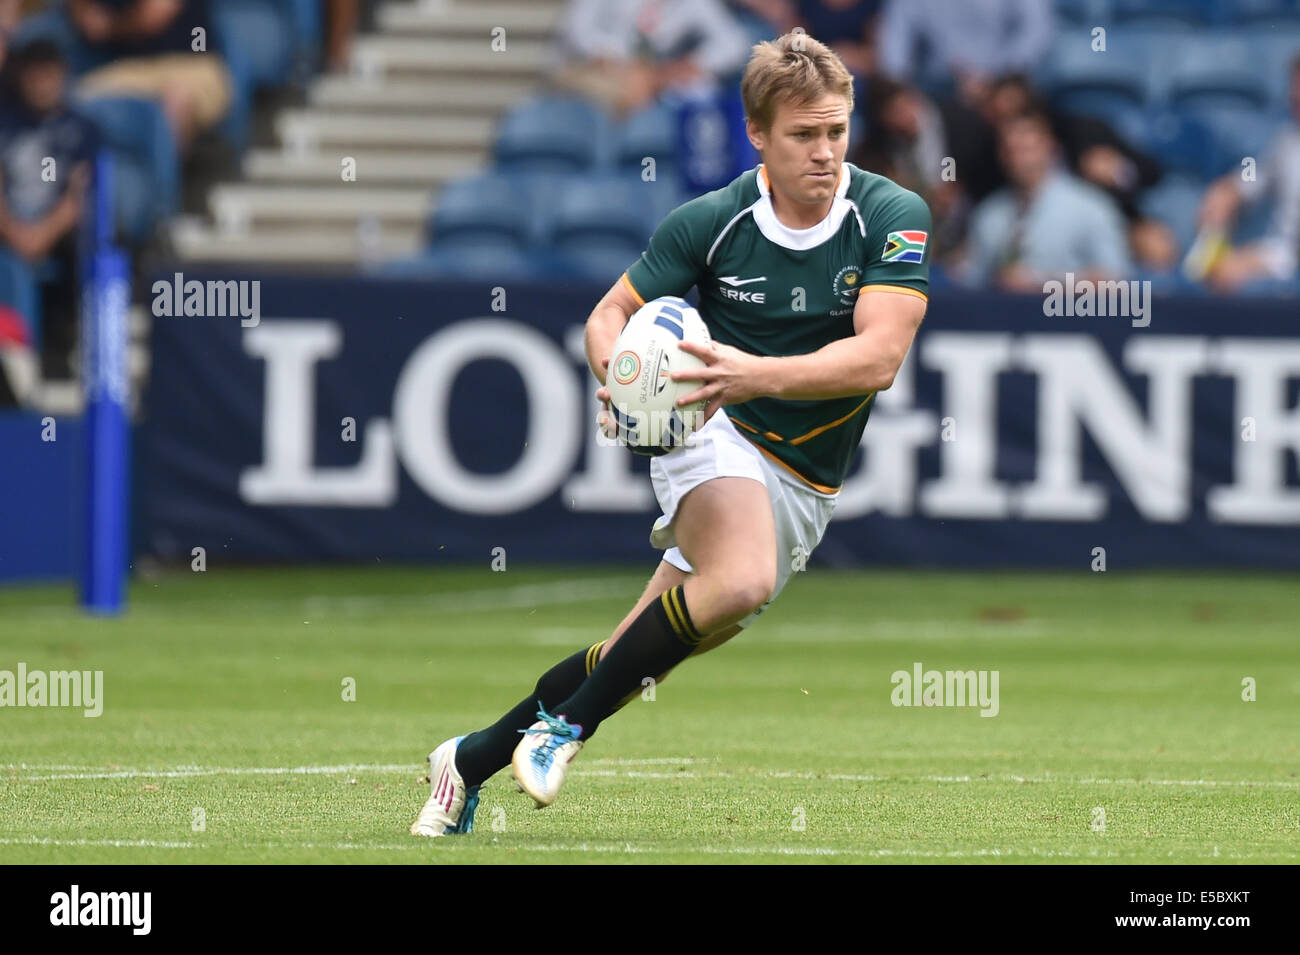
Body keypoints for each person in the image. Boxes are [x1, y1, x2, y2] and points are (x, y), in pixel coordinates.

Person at [412, 31, 930, 836]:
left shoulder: (891, 215)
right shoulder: (713, 222)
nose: (825, 153)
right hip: (712, 428)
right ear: (757, 133)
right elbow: (608, 315)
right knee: (744, 576)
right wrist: (619, 378)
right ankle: (565, 729)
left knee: (637, 651)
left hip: (802, 478)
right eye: (803, 135)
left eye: (836, 131)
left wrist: (748, 370)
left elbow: (880, 356)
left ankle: (468, 759)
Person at [0, 38, 98, 379]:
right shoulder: (5, 123)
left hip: (58, 231)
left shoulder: (80, 130)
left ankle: (61, 345)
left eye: (49, 74)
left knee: (84, 246)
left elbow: (82, 192)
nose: (43, 84)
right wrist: (15, 232)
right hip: (9, 230)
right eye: (35, 75)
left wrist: (42, 233)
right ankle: (17, 363)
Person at [963, 108, 1130, 291]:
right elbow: (973, 280)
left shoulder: (1091, 207)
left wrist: (1042, 282)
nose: (1019, 160)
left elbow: (1116, 279)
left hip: (1067, 315)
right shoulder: (989, 213)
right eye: (1010, 150)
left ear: (1051, 149)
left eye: (1027, 149)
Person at [1192, 56, 1300, 292]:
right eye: (1293, 86)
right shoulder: (1287, 140)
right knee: (1220, 272)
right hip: (1284, 255)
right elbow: (1253, 179)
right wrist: (1227, 191)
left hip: (1289, 255)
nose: (1294, 94)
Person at [68, 0, 230, 152]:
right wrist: (84, 11)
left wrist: (109, 25)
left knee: (177, 100)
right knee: (75, 100)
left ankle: (165, 180)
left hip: (194, 63)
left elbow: (152, 17)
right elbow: (90, 24)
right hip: (134, 67)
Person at [549, 0, 752, 118]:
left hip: (653, 78)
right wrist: (626, 62)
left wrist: (694, 63)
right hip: (592, 72)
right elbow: (576, 32)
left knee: (701, 90)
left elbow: (734, 42)